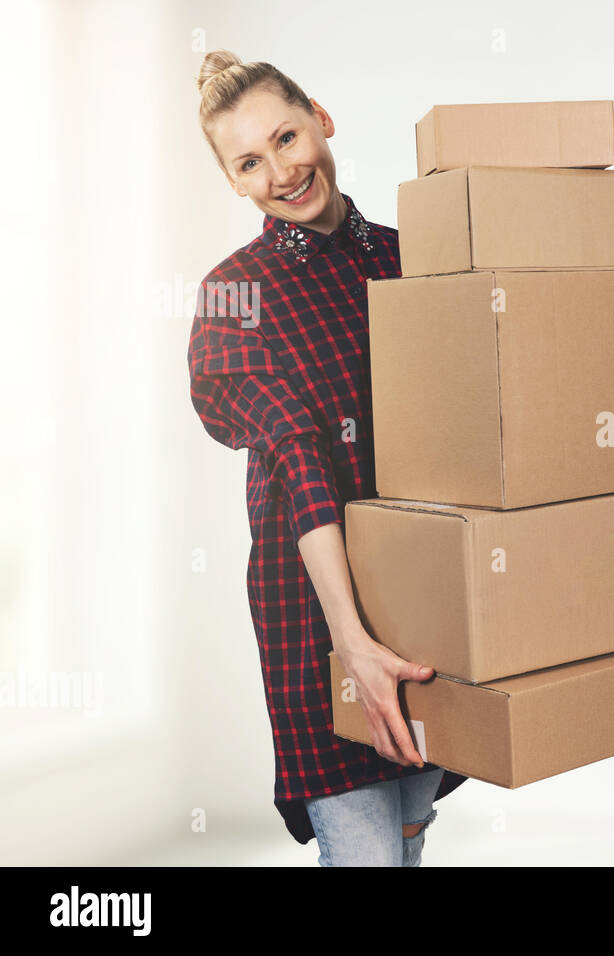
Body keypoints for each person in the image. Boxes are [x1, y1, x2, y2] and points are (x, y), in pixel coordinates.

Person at [185, 49, 467, 866]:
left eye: (286, 136)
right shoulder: (233, 295)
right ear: (234, 183)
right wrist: (349, 638)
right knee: (367, 853)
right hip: (316, 610)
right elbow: (298, 452)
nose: (280, 170)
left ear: (321, 118)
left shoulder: (414, 259)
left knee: (412, 828)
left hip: (422, 595)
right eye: (249, 161)